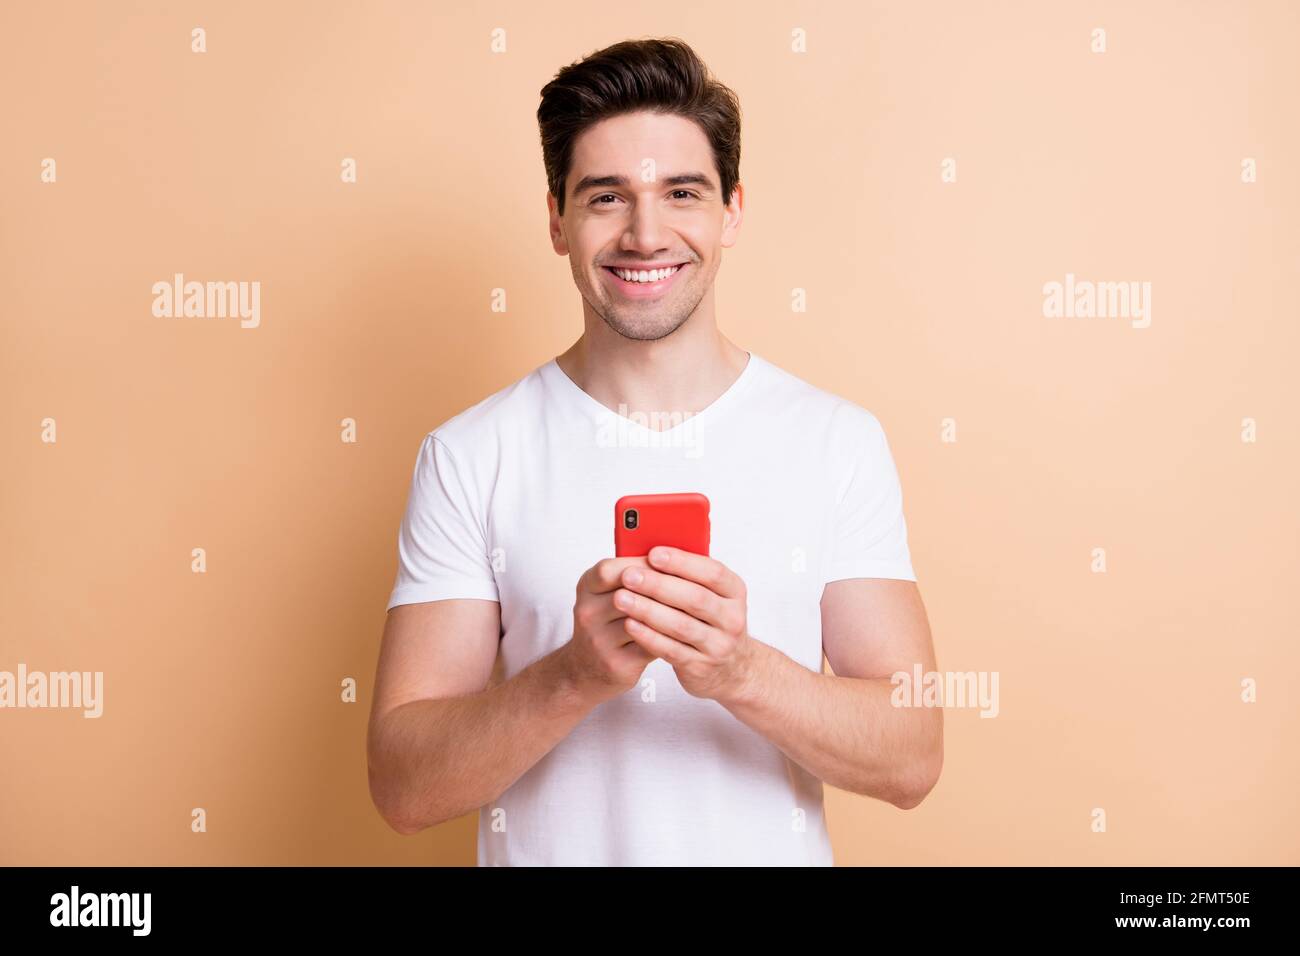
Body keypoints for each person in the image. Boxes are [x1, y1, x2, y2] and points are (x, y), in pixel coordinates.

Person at [367, 37, 942, 866]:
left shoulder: (834, 441)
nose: (645, 234)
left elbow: (913, 754)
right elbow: (403, 787)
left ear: (731, 211)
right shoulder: (470, 455)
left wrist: (739, 669)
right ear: (557, 221)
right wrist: (575, 674)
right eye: (606, 197)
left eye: (681, 192)